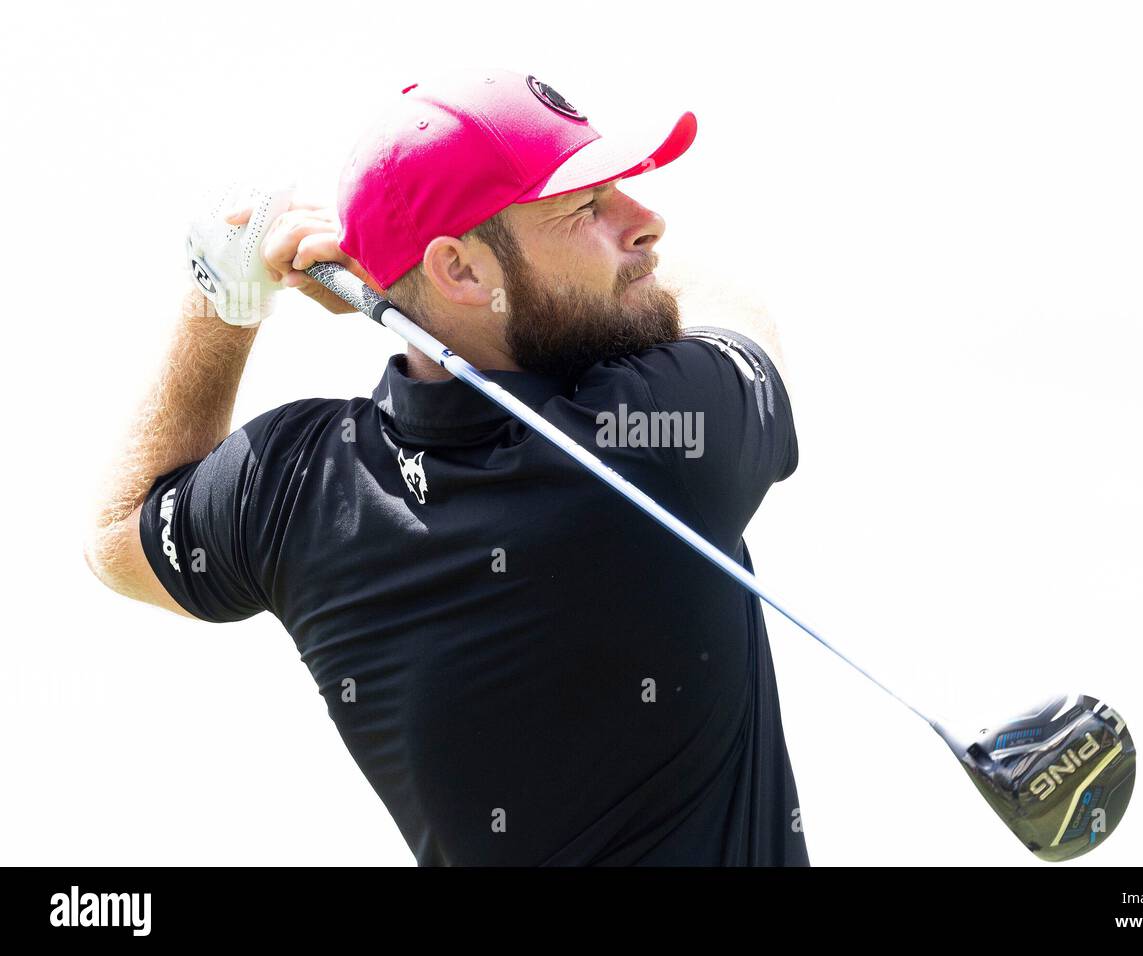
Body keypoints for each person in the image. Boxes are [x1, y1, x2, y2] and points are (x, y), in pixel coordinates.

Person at [84, 68, 808, 865]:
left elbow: (119, 538)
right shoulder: (656, 442)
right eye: (586, 208)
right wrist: (396, 286)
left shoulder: (294, 484)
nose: (648, 220)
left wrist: (227, 298)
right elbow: (730, 309)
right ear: (461, 271)